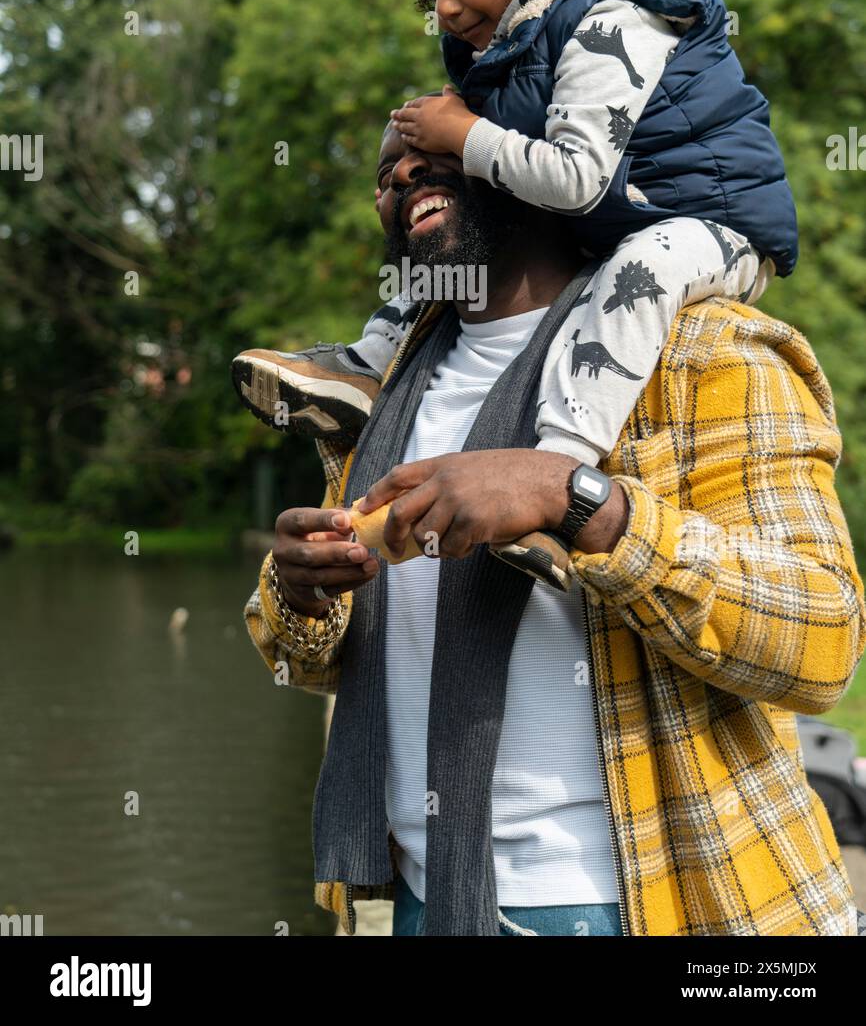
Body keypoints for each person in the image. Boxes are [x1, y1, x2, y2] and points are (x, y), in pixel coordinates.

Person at [243, 122, 865, 937]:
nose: (400, 176)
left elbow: (825, 640)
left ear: (536, 159)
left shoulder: (703, 352)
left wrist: (579, 501)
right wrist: (301, 592)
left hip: (643, 905)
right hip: (422, 902)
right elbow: (319, 664)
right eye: (385, 173)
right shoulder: (379, 395)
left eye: (431, 151)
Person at [232, 0, 796, 486]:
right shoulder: (515, 37)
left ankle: (556, 463)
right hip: (625, 215)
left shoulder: (615, 14)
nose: (443, 9)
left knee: (639, 272)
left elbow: (578, 177)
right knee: (454, 239)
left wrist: (463, 133)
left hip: (712, 225)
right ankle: (368, 365)